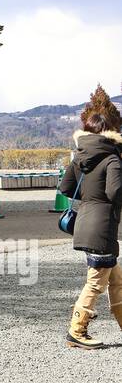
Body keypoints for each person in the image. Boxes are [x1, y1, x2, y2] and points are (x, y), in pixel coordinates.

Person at [59, 112, 122, 349]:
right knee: (96, 283)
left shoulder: (79, 157)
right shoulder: (112, 158)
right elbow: (115, 192)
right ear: (111, 132)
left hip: (83, 224)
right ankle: (76, 331)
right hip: (103, 227)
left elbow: (65, 188)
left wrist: (89, 195)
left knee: (116, 279)